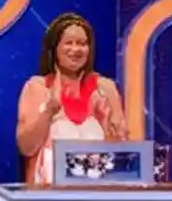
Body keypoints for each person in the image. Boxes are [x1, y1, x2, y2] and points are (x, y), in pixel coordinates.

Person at [16, 13, 128, 185]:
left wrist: (106, 125)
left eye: (82, 43)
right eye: (69, 43)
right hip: (48, 193)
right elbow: (26, 147)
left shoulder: (106, 88)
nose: (76, 50)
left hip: (98, 191)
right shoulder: (38, 87)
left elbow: (122, 155)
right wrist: (48, 112)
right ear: (54, 48)